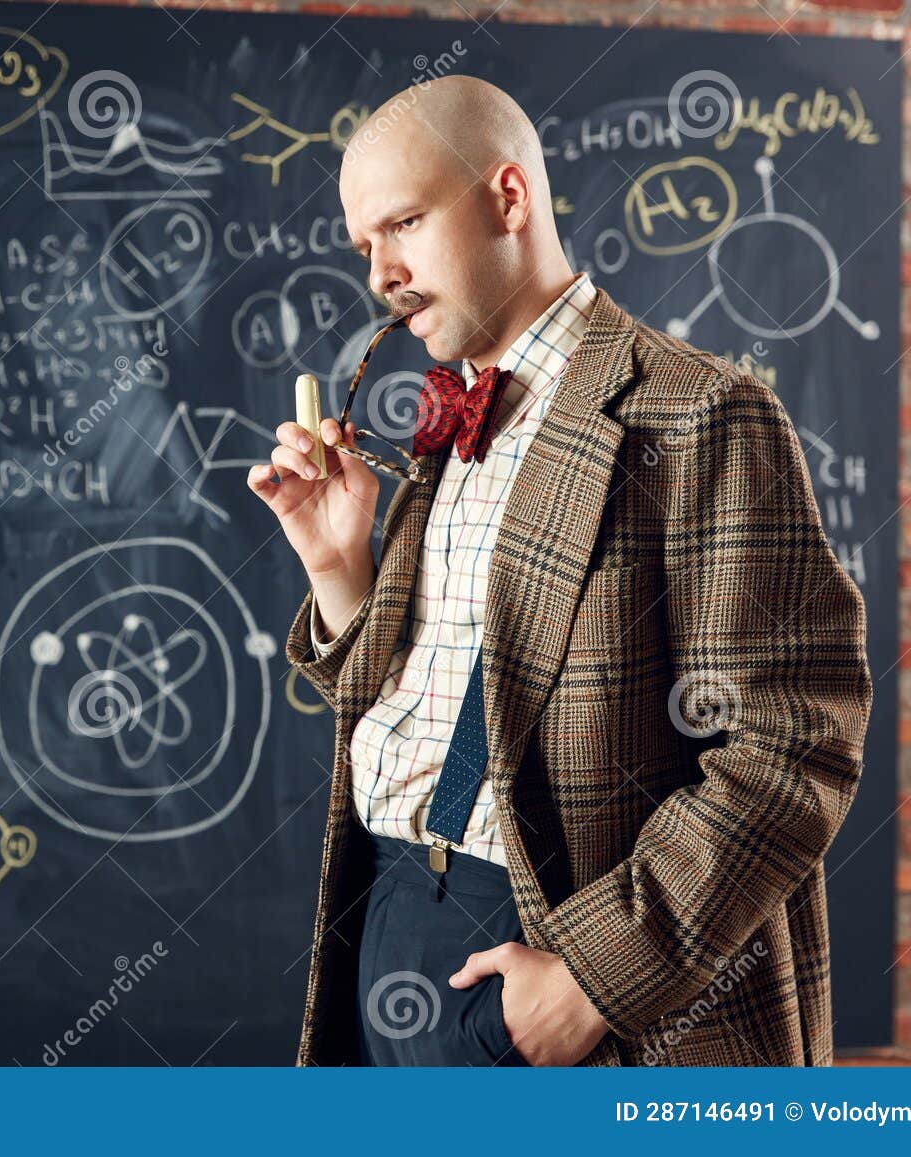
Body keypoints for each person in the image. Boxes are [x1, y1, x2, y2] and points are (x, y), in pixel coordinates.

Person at [247, 76, 872, 1067]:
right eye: (367, 245)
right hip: (394, 915)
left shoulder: (702, 413)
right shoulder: (448, 421)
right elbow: (438, 702)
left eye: (404, 222)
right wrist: (339, 571)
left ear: (508, 198)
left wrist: (592, 979)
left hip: (574, 959)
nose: (383, 273)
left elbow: (794, 743)